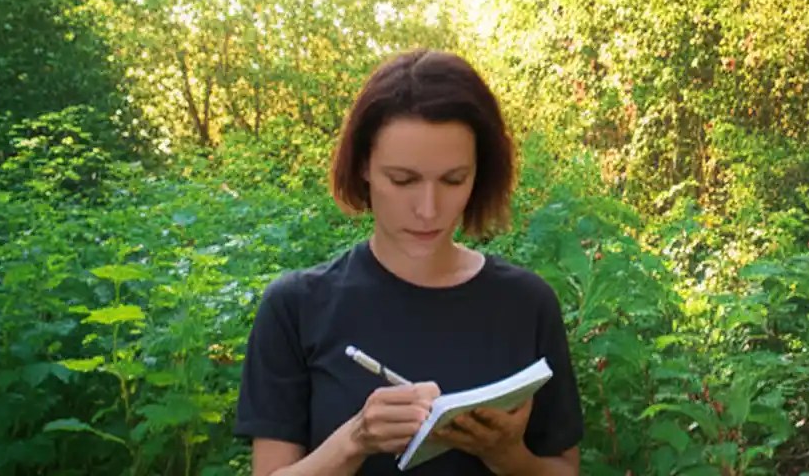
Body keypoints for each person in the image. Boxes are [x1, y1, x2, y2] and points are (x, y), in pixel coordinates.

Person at [234, 49, 584, 476]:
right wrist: (354, 440)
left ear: (481, 173)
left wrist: (507, 456)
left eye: (454, 180)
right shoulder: (296, 306)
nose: (429, 209)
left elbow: (564, 470)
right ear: (363, 166)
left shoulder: (527, 304)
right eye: (403, 180)